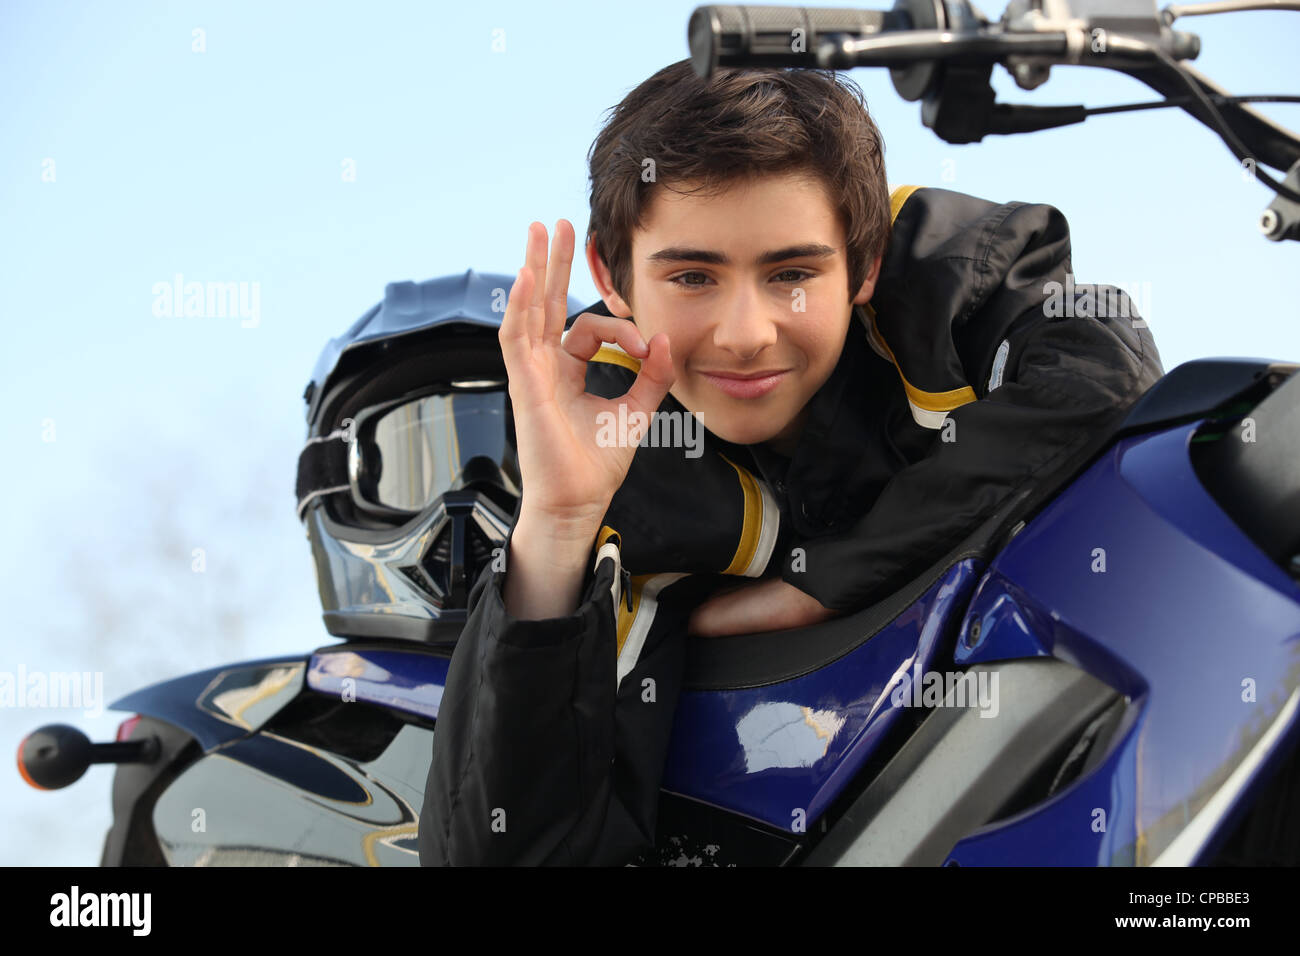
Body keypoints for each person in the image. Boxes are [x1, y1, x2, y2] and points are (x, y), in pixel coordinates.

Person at [417, 59, 1164, 866]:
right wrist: (557, 523)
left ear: (866, 262)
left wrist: (821, 583)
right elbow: (503, 854)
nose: (746, 332)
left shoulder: (950, 274)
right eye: (694, 276)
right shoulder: (602, 438)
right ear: (612, 276)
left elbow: (1102, 380)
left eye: (793, 274)